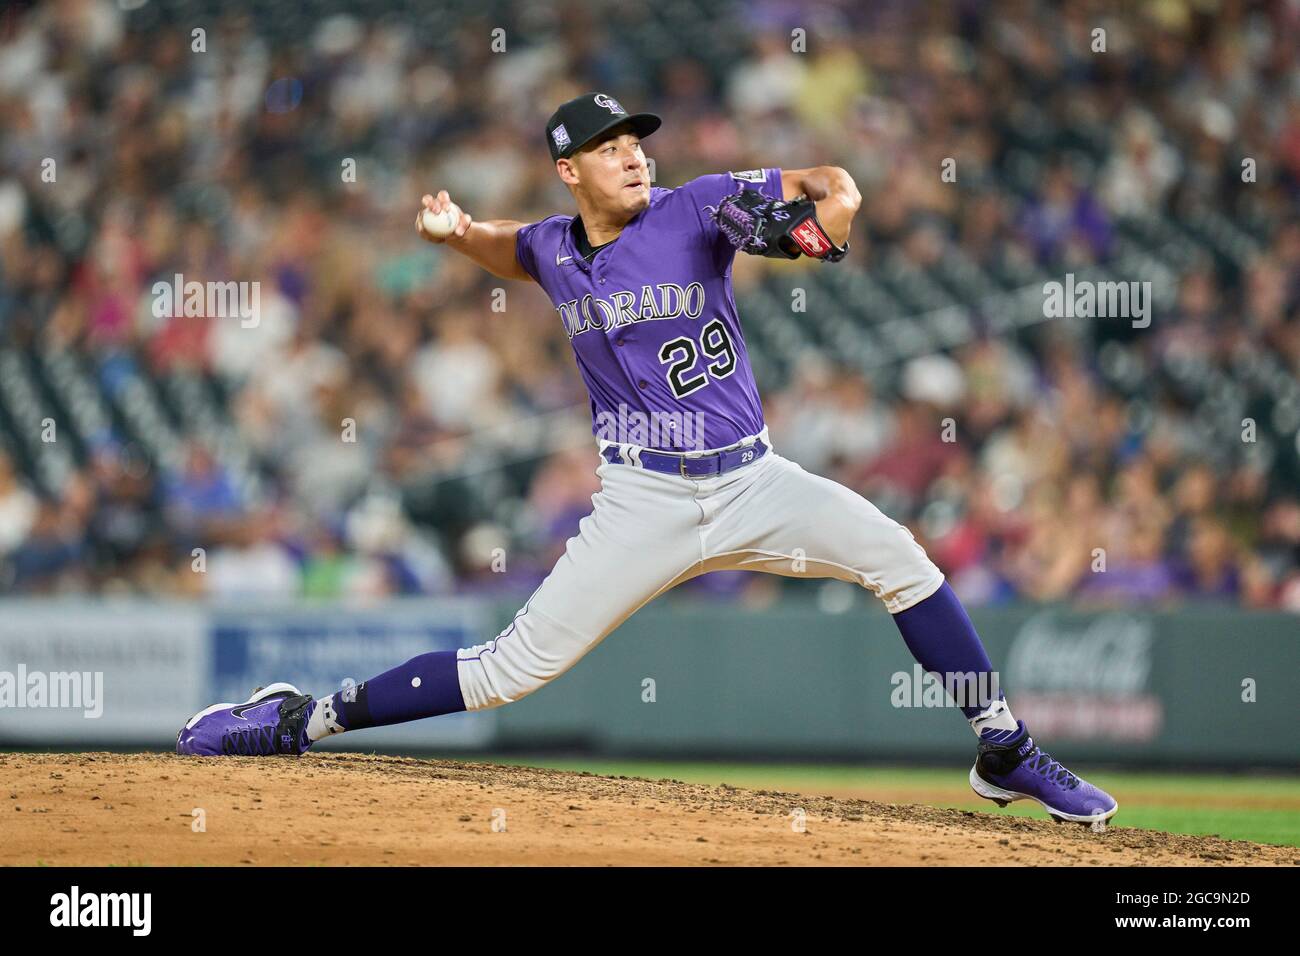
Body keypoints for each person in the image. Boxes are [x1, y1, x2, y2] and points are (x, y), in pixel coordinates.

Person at [178, 93, 1116, 826]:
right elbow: (518, 251)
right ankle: (301, 719)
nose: (635, 154)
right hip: (642, 501)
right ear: (568, 170)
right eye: (611, 146)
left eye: (638, 141)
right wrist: (459, 235)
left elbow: (826, 182)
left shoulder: (697, 207)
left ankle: (1004, 748)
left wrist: (831, 209)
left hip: (753, 479)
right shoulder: (555, 243)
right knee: (509, 670)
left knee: (903, 562)